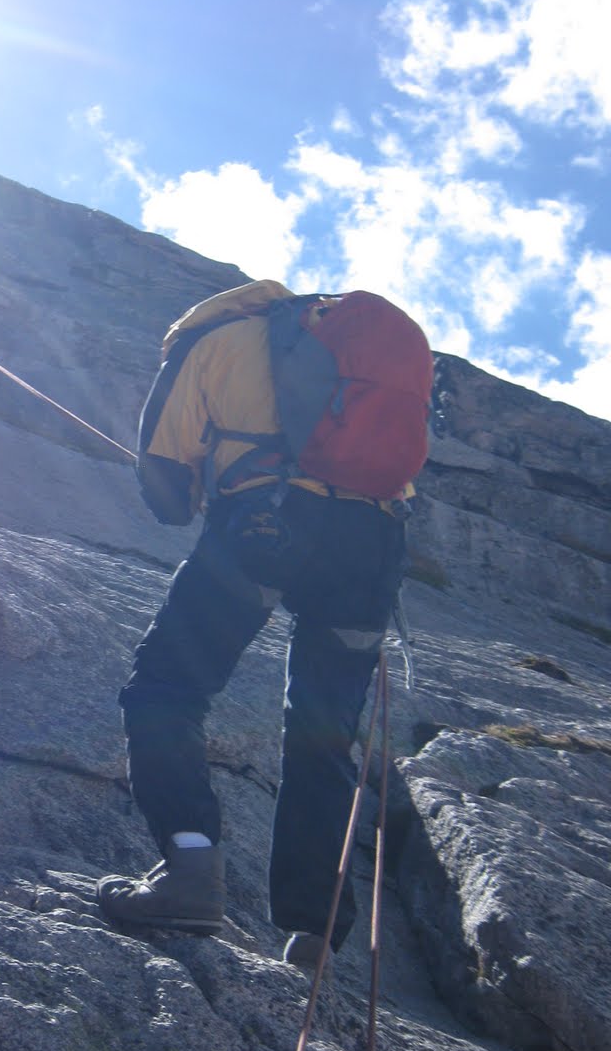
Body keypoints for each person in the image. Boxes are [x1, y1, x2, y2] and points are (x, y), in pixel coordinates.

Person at [97, 281, 420, 965]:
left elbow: (164, 481)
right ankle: (314, 939)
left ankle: (189, 872)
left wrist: (199, 489)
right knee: (324, 735)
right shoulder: (356, 353)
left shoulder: (213, 339)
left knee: (167, 690)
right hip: (371, 549)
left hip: (267, 526)